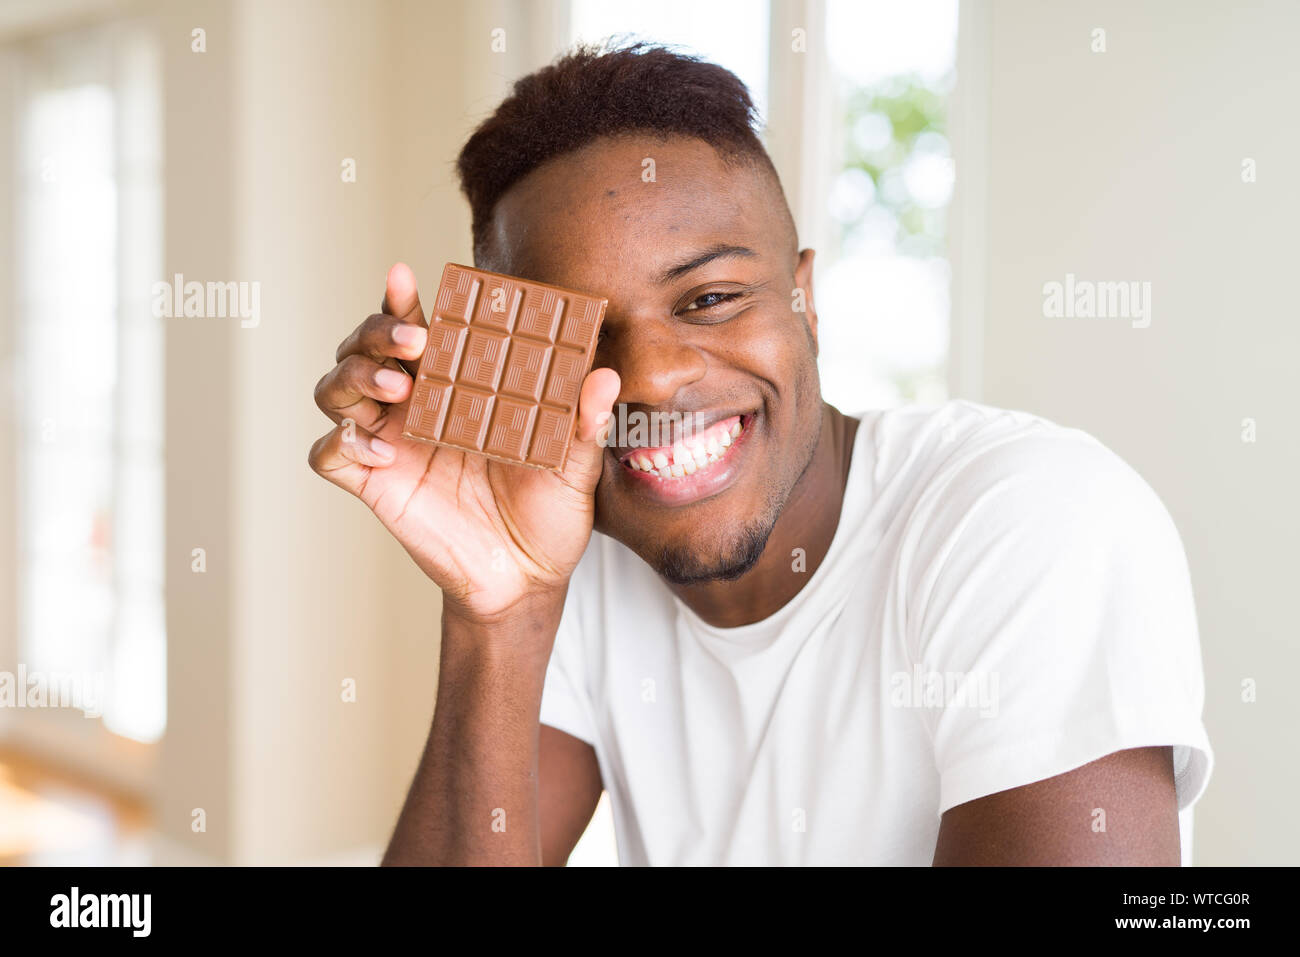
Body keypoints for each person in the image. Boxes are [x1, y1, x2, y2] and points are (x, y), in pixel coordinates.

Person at [309, 44, 1212, 865]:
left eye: (709, 299)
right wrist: (497, 610)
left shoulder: (1031, 522)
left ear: (805, 300)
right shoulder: (571, 557)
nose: (653, 379)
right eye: (582, 337)